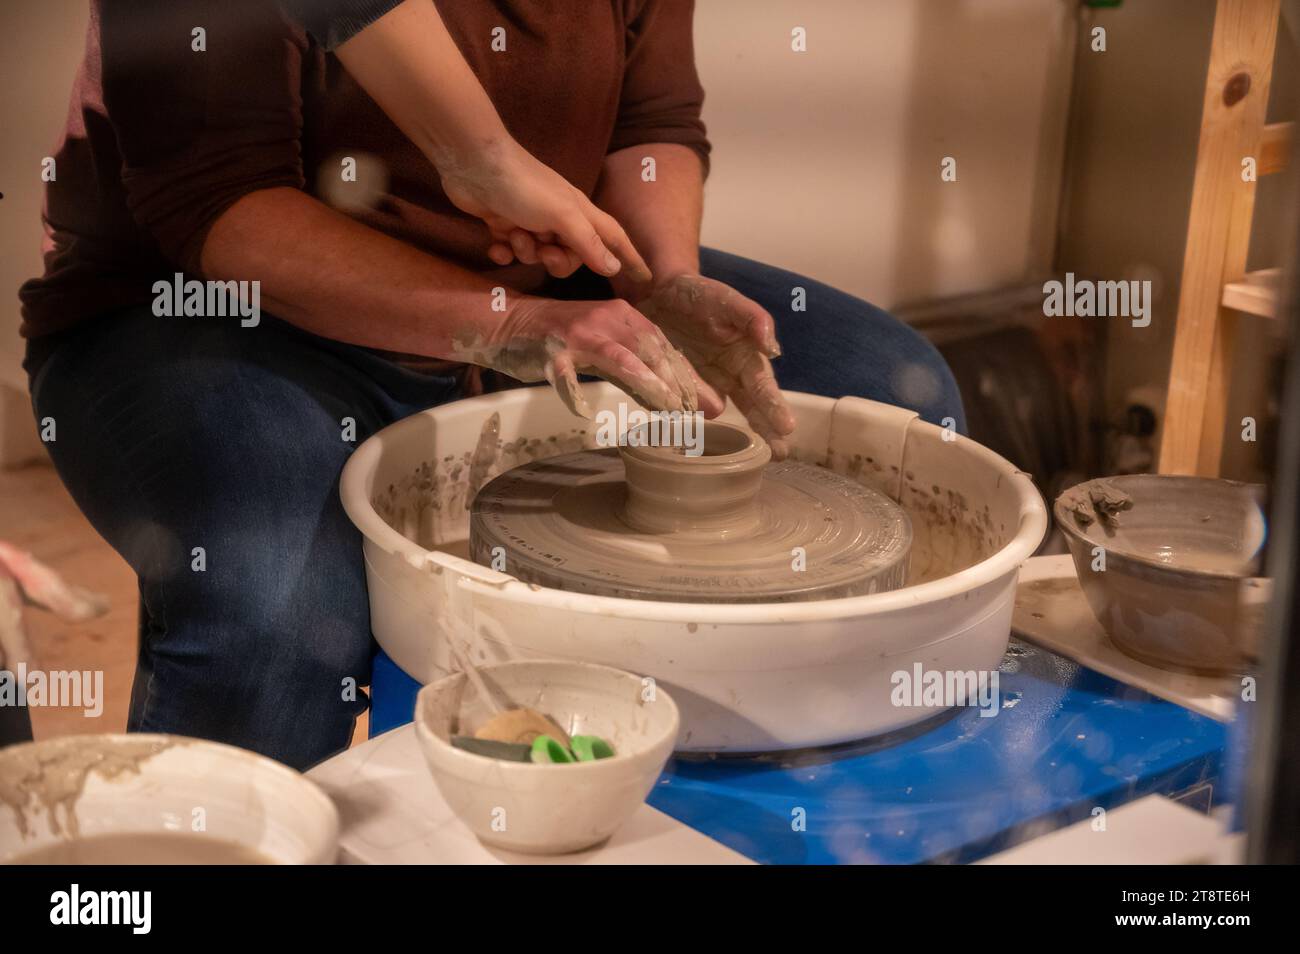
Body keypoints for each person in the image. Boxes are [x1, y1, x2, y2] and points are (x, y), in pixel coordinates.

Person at [20, 0, 964, 769]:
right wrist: (504, 316)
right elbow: (218, 202)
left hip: (537, 278)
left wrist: (658, 280)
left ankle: (706, 789)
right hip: (211, 301)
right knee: (281, 602)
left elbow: (653, 121)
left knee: (895, 391)